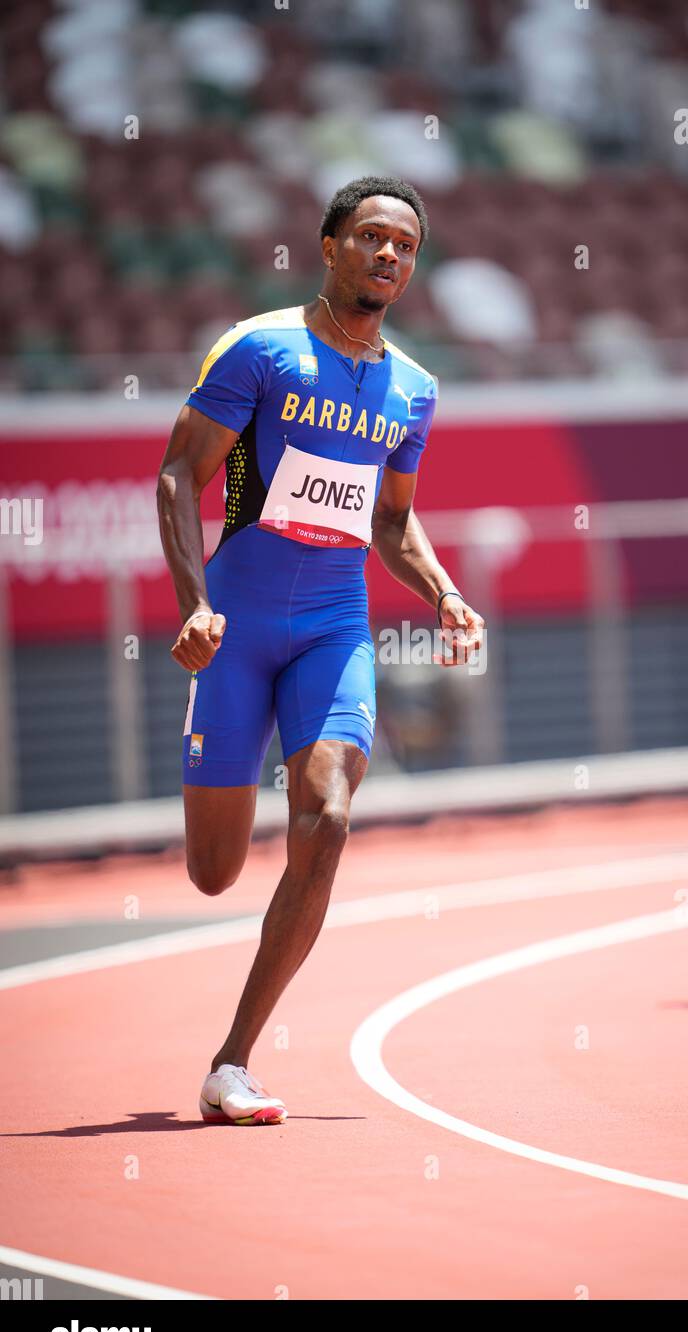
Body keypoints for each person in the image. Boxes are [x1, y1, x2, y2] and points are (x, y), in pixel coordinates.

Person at [157, 175, 485, 1122]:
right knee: (212, 871)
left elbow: (392, 522)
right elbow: (180, 471)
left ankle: (232, 1062)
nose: (390, 256)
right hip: (238, 624)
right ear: (331, 244)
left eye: (406, 246)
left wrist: (446, 591)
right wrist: (195, 604)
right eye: (372, 237)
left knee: (330, 814)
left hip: (336, 625)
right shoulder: (261, 348)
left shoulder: (414, 389)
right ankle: (240, 792)